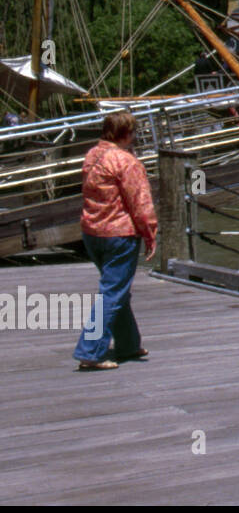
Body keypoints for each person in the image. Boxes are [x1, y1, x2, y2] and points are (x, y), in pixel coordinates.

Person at [73, 109, 157, 371]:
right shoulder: (127, 162)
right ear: (127, 133)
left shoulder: (92, 155)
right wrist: (150, 233)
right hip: (119, 234)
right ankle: (90, 351)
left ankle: (129, 344)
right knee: (112, 293)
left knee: (117, 290)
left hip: (92, 232)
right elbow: (139, 203)